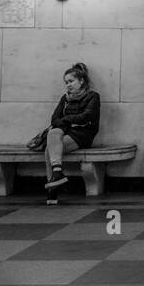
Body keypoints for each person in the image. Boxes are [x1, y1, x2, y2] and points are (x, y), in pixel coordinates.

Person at [43, 62, 100, 193]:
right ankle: (57, 173)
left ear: (81, 81)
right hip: (66, 132)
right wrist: (69, 122)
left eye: (71, 81)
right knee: (53, 133)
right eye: (66, 82)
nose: (68, 84)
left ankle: (52, 188)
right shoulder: (65, 98)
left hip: (83, 134)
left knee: (49, 150)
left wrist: (66, 120)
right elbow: (54, 120)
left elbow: (86, 117)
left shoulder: (93, 96)